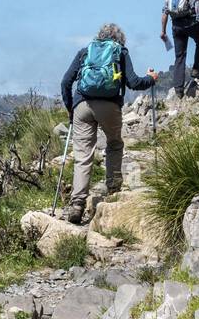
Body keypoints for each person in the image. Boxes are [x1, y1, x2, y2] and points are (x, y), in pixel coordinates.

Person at [59, 23, 157, 225]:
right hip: (110, 107)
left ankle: (77, 204)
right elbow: (133, 82)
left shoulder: (85, 51)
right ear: (119, 39)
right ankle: (113, 190)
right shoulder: (120, 51)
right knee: (114, 145)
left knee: (83, 156)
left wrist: (71, 109)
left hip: (82, 106)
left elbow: (65, 82)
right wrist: (151, 78)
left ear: (99, 37)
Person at [160, 0, 199, 97]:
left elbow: (165, 12)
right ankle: (196, 69)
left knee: (179, 56)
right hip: (191, 24)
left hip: (176, 26)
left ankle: (178, 89)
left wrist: (163, 31)